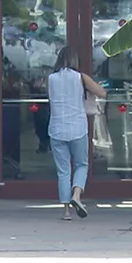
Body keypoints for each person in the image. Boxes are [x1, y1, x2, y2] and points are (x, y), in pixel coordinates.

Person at [47, 54, 104, 217]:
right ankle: (76, 195)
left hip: (57, 128)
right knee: (81, 165)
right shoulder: (80, 77)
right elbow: (102, 92)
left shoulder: (51, 79)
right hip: (77, 128)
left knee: (63, 170)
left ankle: (66, 211)